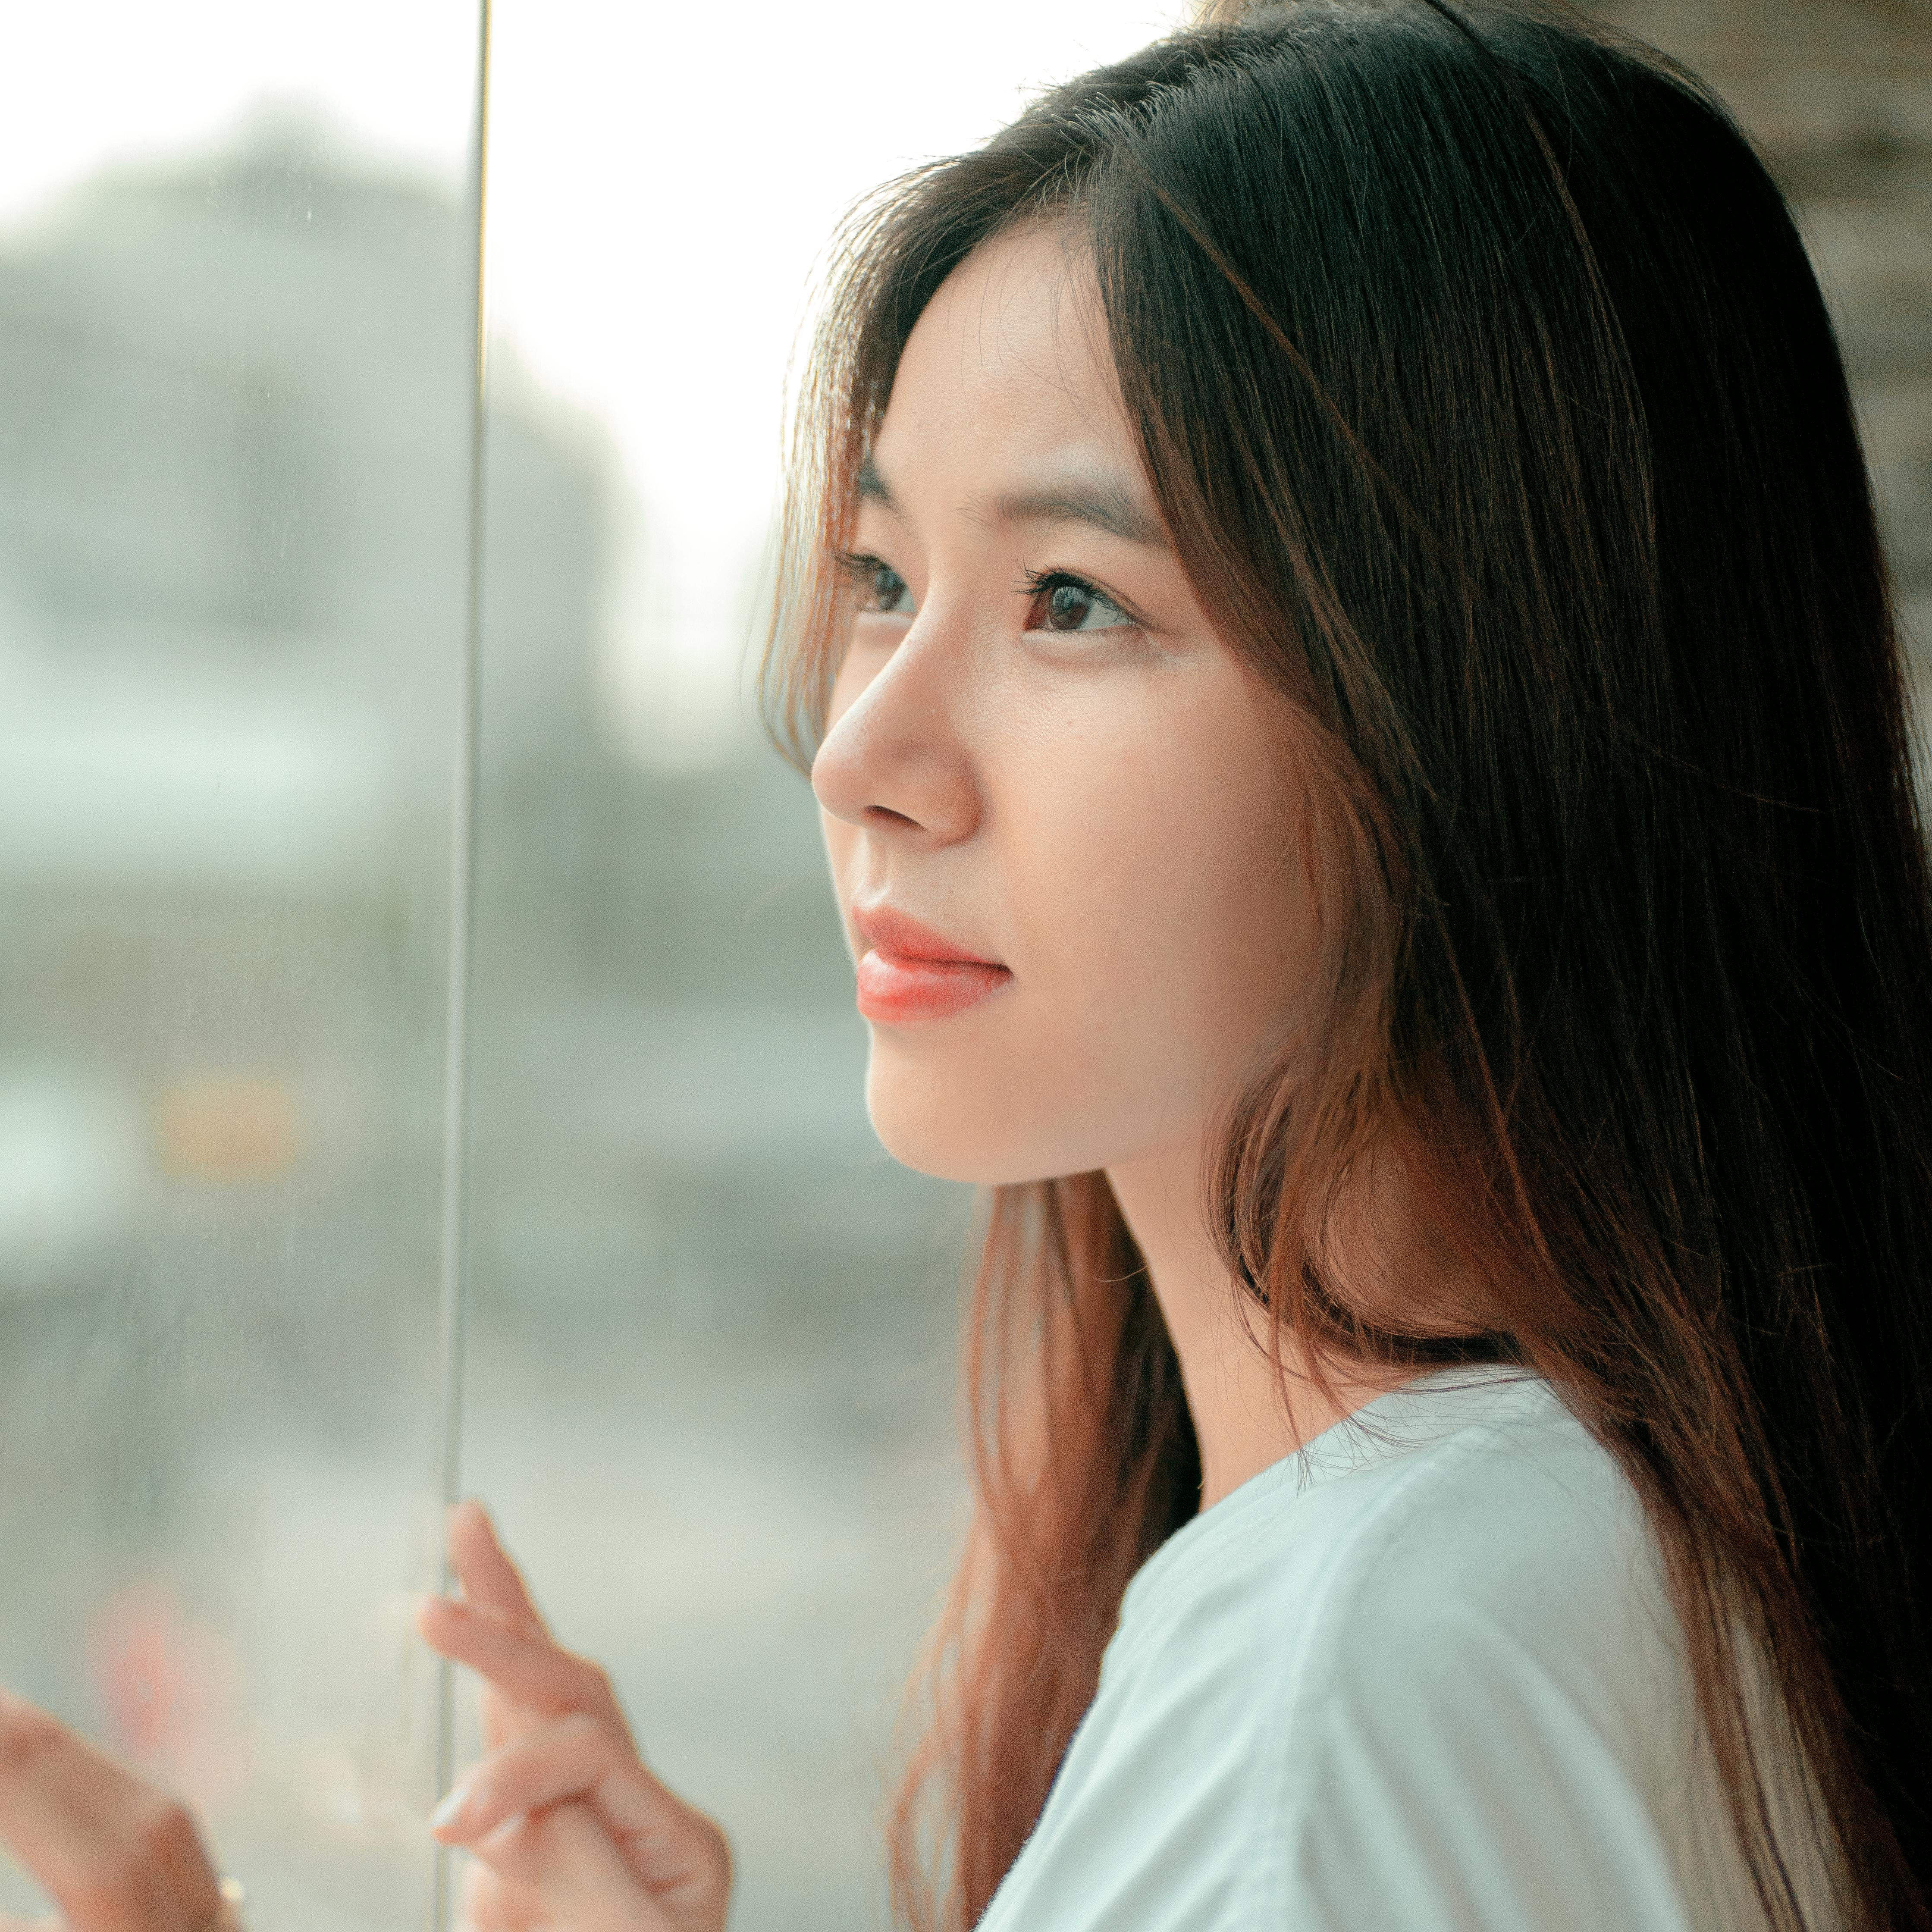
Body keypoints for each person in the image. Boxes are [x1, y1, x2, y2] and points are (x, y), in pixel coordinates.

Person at [4, 0, 1931, 1925]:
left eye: (1071, 600)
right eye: (881, 582)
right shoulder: (1631, 1552)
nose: (857, 758)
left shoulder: (1360, 1691)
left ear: (1500, 702)